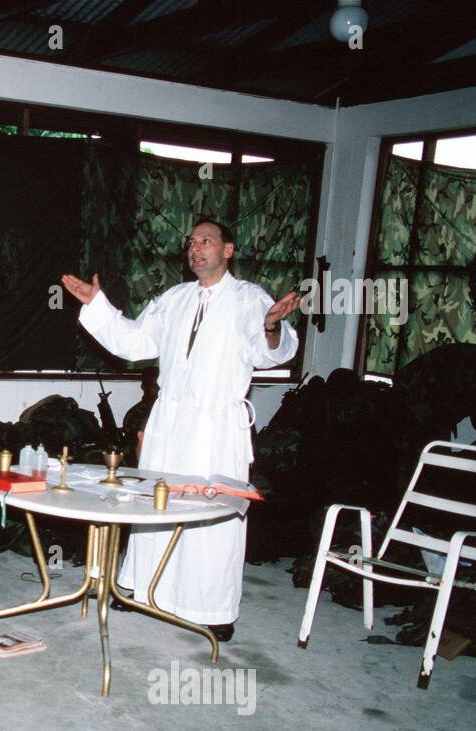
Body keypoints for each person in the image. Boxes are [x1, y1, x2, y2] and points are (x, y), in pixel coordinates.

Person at [62, 219, 301, 642]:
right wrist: (97, 305)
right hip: (170, 421)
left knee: (214, 514)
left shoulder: (249, 299)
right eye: (191, 242)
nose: (196, 248)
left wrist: (271, 326)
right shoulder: (173, 299)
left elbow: (271, 355)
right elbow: (134, 343)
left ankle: (212, 608)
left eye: (206, 241)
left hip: (216, 424)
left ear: (228, 249)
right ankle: (143, 589)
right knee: (155, 504)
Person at [121, 365, 160, 467]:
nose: (158, 391)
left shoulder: (164, 410)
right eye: (154, 386)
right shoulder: (135, 414)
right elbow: (133, 450)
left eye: (160, 387)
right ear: (143, 387)